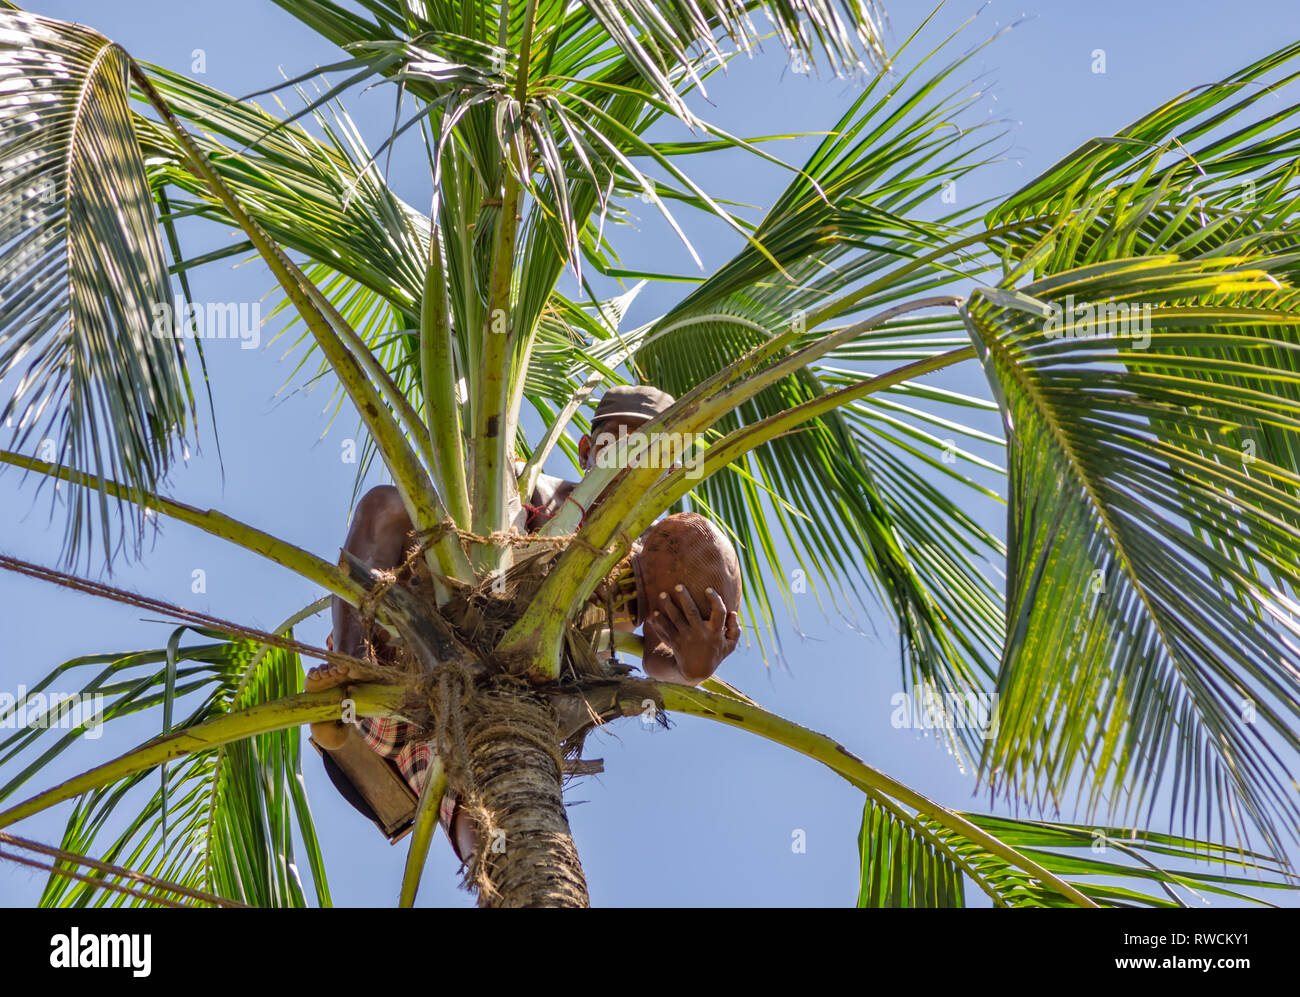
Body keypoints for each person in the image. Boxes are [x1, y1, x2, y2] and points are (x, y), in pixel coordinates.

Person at [305, 385, 741, 861]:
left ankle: (495, 872)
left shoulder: (651, 559)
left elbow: (662, 658)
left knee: (485, 803)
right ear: (586, 452)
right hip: (412, 658)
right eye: (626, 449)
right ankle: (346, 675)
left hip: (503, 704)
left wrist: (693, 668)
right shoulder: (530, 491)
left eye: (653, 464)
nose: (635, 470)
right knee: (386, 503)